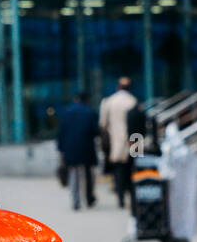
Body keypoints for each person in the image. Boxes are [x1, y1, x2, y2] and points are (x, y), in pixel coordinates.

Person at [56, 92, 100, 210]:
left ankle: (76, 201)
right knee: (88, 174)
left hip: (70, 148)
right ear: (86, 100)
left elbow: (61, 133)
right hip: (87, 147)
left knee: (74, 174)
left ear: (75, 99)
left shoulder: (66, 112)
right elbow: (96, 131)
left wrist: (61, 149)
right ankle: (89, 198)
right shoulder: (90, 111)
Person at [100, 77, 139, 208]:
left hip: (115, 142)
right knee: (132, 170)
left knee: (118, 171)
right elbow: (138, 127)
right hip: (133, 141)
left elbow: (103, 124)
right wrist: (138, 149)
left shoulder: (109, 101)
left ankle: (120, 198)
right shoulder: (133, 101)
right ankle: (132, 197)